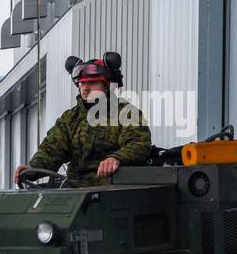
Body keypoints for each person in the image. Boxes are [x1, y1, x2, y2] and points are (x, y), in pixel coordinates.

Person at [14, 53, 152, 188]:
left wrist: (116, 158)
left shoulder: (126, 113)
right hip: (74, 190)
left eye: (92, 83)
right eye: (81, 84)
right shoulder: (70, 118)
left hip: (111, 189)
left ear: (106, 85)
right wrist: (32, 168)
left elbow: (139, 144)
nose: (85, 89)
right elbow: (52, 149)